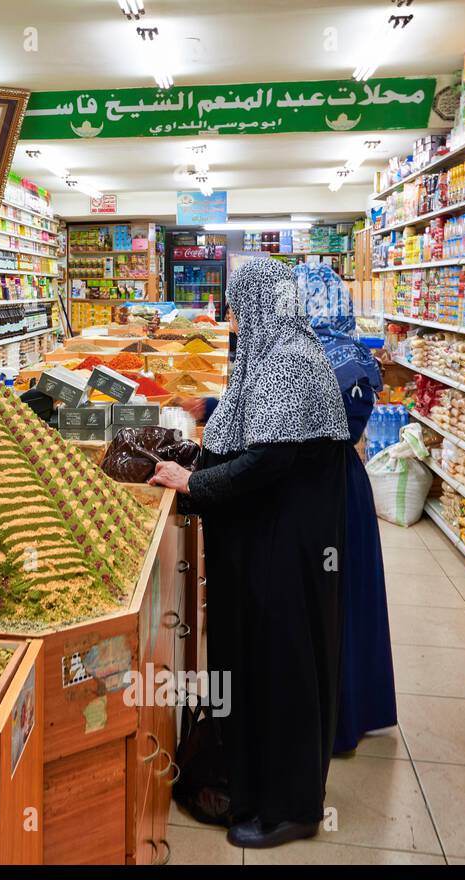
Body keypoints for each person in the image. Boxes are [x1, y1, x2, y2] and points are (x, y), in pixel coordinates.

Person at [149, 258, 350, 849]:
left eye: (239, 308)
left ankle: (291, 807)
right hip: (276, 539)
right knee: (266, 662)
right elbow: (255, 430)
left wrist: (195, 485)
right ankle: (258, 780)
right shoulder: (276, 351)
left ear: (262, 305)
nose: (233, 321)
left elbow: (270, 461)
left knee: (285, 664)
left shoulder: (287, 362)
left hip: (291, 549)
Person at [295, 261, 395, 756]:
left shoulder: (329, 364)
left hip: (325, 488)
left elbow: (318, 433)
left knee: (329, 602)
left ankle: (335, 721)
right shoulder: (351, 354)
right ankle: (347, 711)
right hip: (342, 485)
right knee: (345, 600)